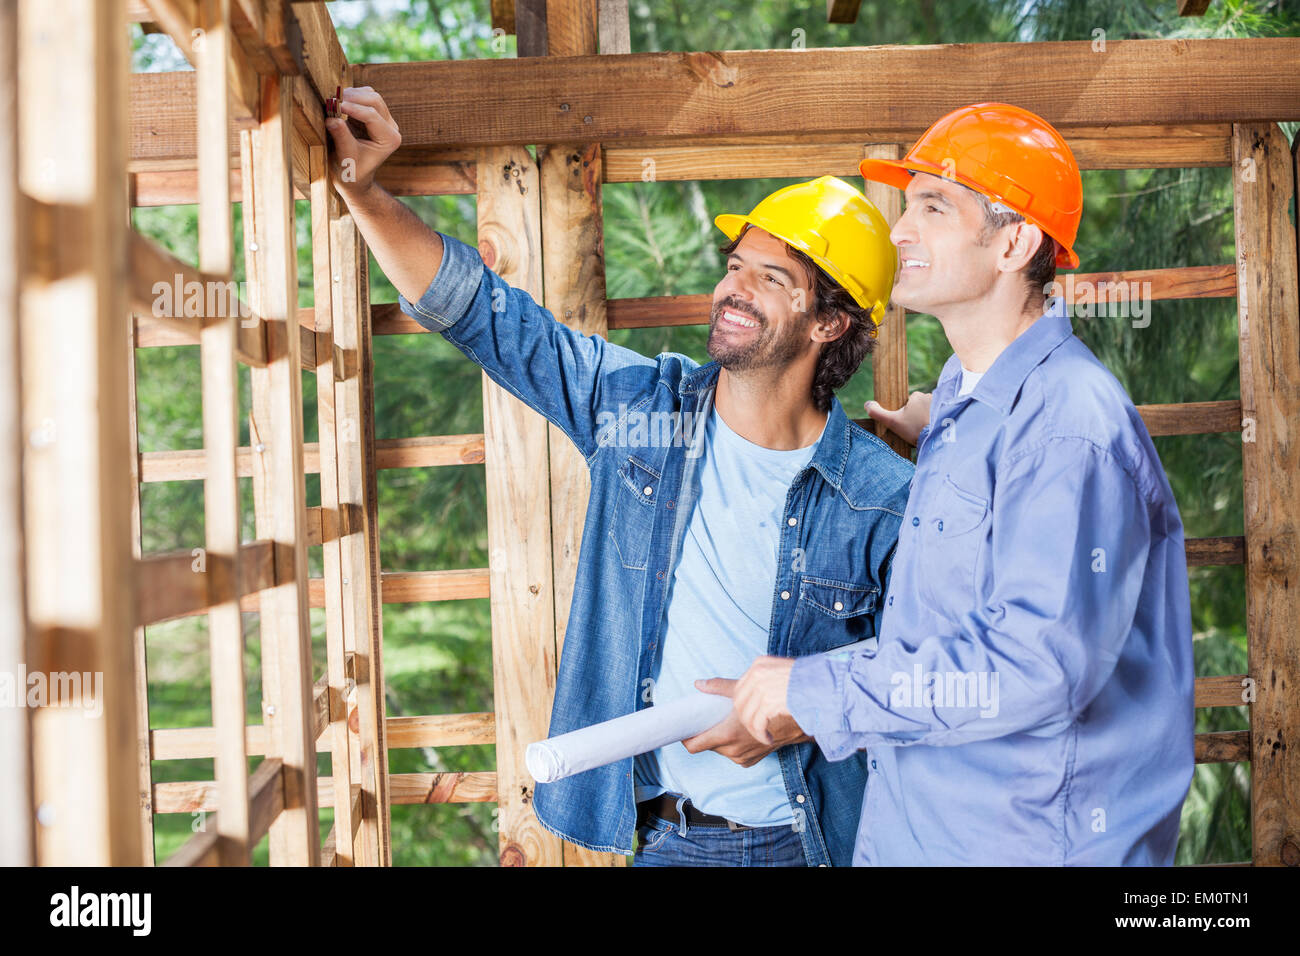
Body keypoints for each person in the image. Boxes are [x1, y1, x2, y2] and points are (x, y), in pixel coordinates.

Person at [323, 87, 914, 866]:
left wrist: (803, 709)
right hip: (665, 836)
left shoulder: (882, 496)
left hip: (810, 844)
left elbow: (926, 680)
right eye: (737, 265)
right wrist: (361, 189)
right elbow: (480, 312)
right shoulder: (640, 412)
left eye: (773, 279)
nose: (734, 288)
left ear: (830, 322)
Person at [718, 102, 1196, 865]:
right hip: (924, 833)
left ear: (1015, 242)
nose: (900, 231)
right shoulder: (974, 397)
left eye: (934, 206)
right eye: (907, 205)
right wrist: (946, 425)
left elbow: (1036, 665)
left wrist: (815, 691)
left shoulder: (1069, 424)